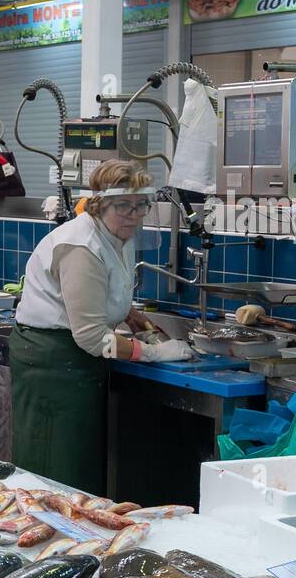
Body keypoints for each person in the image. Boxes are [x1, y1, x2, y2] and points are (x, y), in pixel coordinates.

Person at [10, 161, 191, 495]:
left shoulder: (117, 234)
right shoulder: (81, 247)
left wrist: (127, 312)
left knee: (77, 463)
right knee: (56, 466)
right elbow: (92, 338)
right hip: (52, 361)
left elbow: (100, 290)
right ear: (98, 204)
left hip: (74, 359)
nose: (134, 215)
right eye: (123, 206)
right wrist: (152, 352)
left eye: (141, 206)